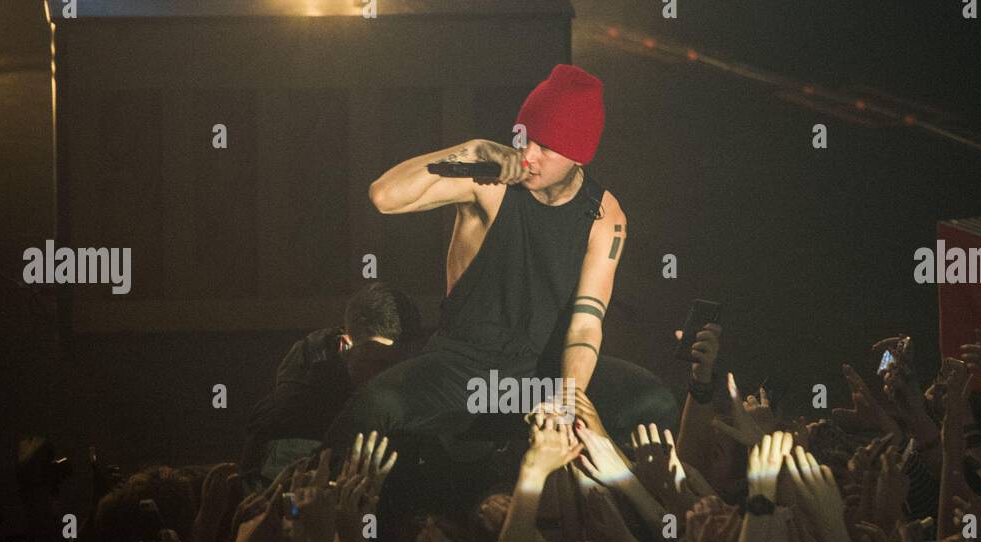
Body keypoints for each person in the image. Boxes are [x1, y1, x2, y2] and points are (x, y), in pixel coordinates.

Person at [324, 64, 677, 455]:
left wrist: (568, 398)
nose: (528, 156)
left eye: (545, 147)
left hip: (536, 377)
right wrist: (472, 149)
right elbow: (384, 197)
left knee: (653, 401)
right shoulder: (489, 182)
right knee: (372, 409)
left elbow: (585, 327)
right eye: (525, 139)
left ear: (579, 155)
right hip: (460, 369)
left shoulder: (604, 216)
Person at [240, 281, 421, 482]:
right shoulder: (295, 413)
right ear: (346, 347)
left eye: (403, 365)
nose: (393, 376)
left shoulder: (406, 395)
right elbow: (281, 506)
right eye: (378, 363)